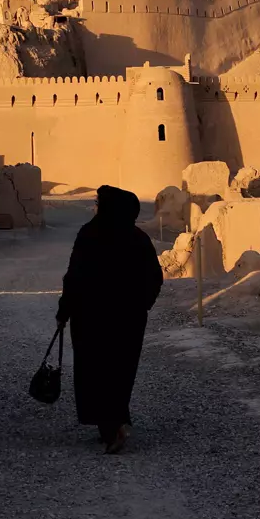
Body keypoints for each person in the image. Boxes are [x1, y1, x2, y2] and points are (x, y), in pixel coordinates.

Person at [55, 185, 163, 454]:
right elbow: (154, 278)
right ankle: (116, 421)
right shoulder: (138, 239)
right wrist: (142, 305)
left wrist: (64, 310)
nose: (95, 207)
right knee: (120, 370)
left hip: (91, 318)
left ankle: (112, 426)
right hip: (128, 320)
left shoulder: (90, 235)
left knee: (96, 371)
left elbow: (74, 276)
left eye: (98, 203)